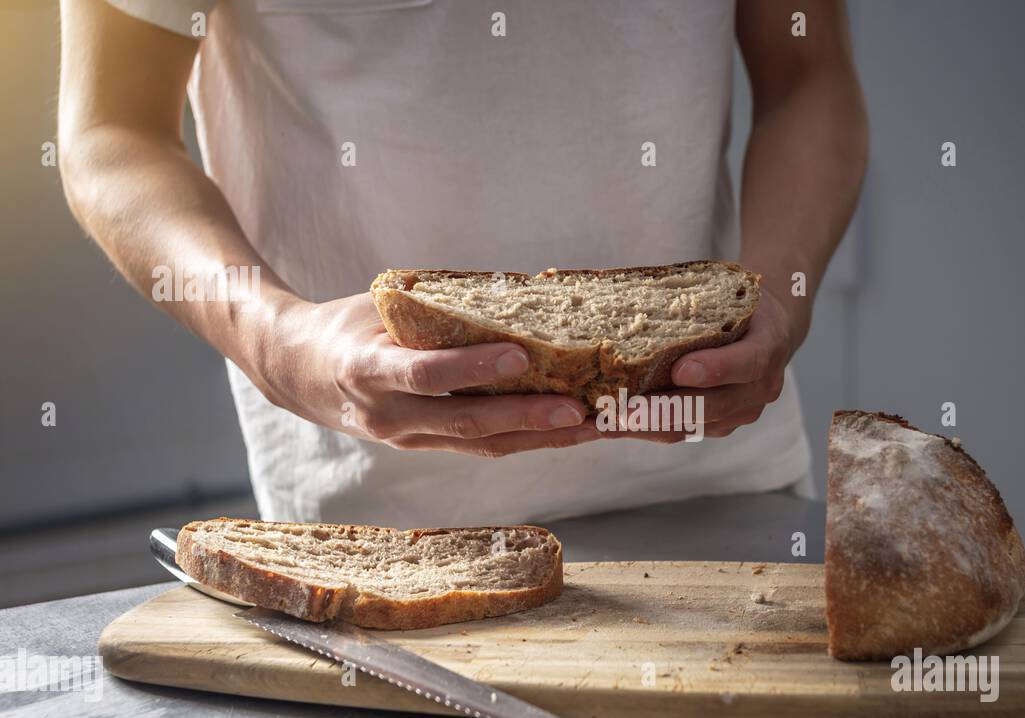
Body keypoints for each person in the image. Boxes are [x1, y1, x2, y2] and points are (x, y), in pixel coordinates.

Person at [59, 0, 868, 527]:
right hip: (378, 522)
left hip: (720, 483)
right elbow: (112, 134)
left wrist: (781, 300)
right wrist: (277, 342)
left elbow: (808, 73)